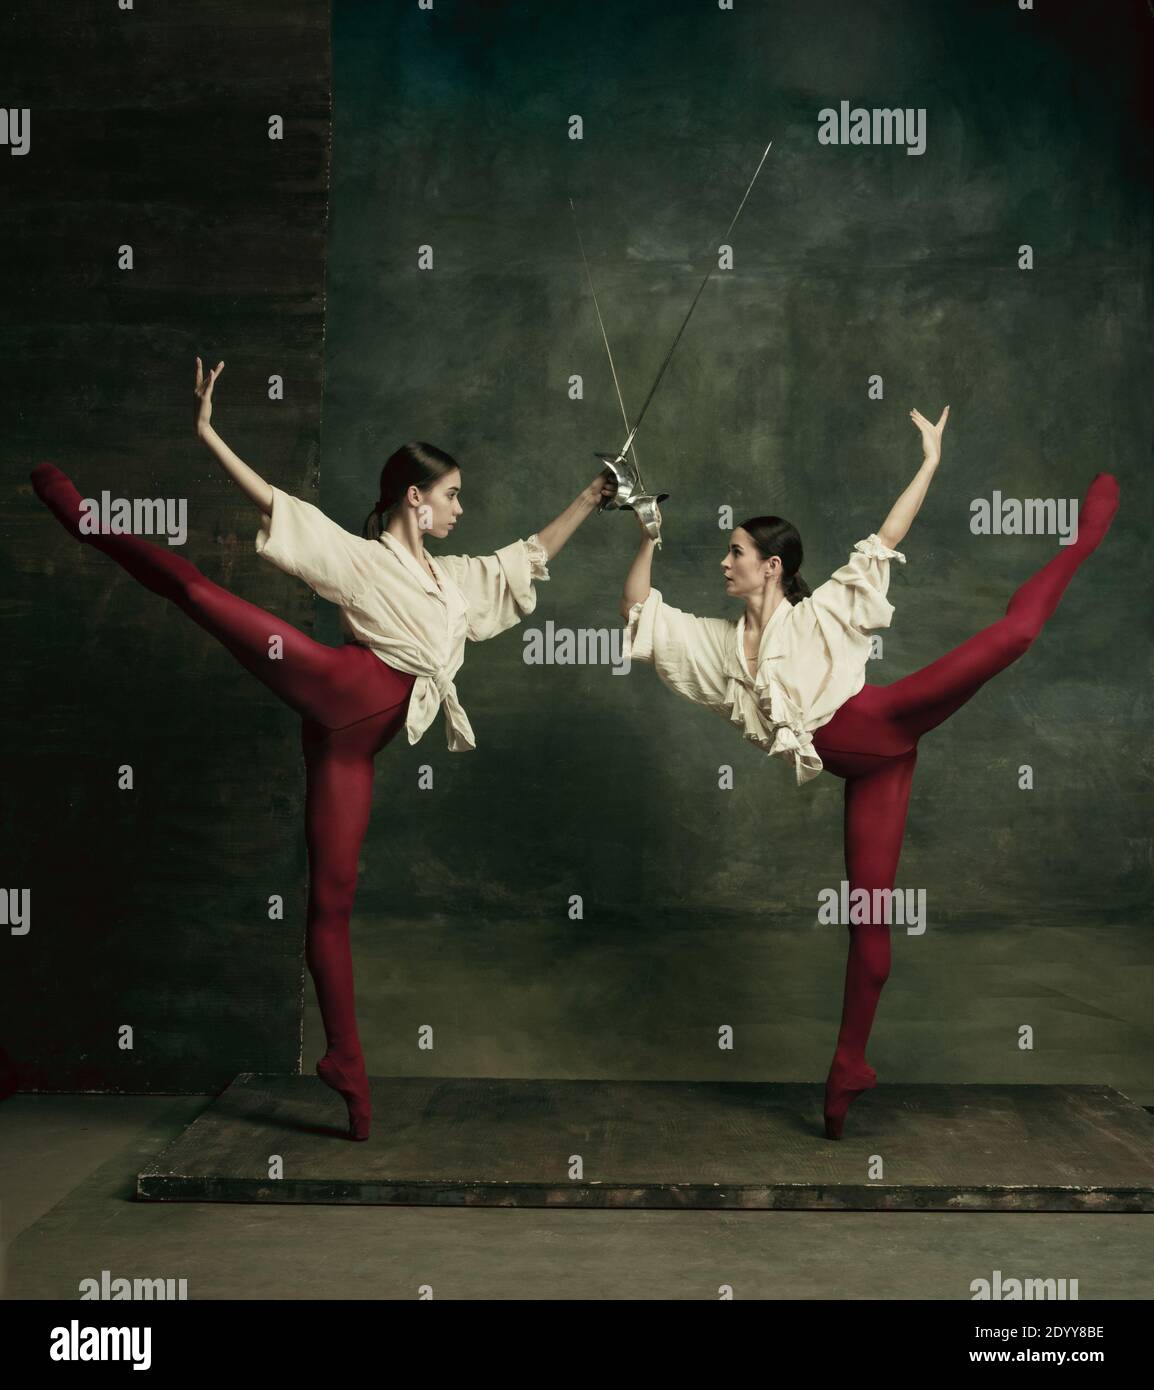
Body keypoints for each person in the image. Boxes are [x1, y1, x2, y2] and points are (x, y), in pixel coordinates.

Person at [31, 357, 616, 1141]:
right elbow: (276, 502)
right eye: (451, 495)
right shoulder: (361, 557)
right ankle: (82, 517)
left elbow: (529, 557)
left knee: (332, 902)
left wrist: (590, 496)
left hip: (349, 751)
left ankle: (346, 1062)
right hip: (334, 689)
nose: (459, 508)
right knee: (200, 594)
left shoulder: (457, 582)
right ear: (416, 496)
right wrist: (209, 433)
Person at [618, 406, 1119, 1139]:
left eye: (735, 552)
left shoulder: (819, 614)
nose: (723, 562)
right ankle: (849, 1065)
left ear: (772, 567)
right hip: (871, 775)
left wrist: (930, 463)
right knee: (870, 929)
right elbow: (640, 611)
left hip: (887, 723)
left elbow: (887, 535)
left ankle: (1083, 539)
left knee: (1014, 634)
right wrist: (645, 538)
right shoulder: (721, 647)